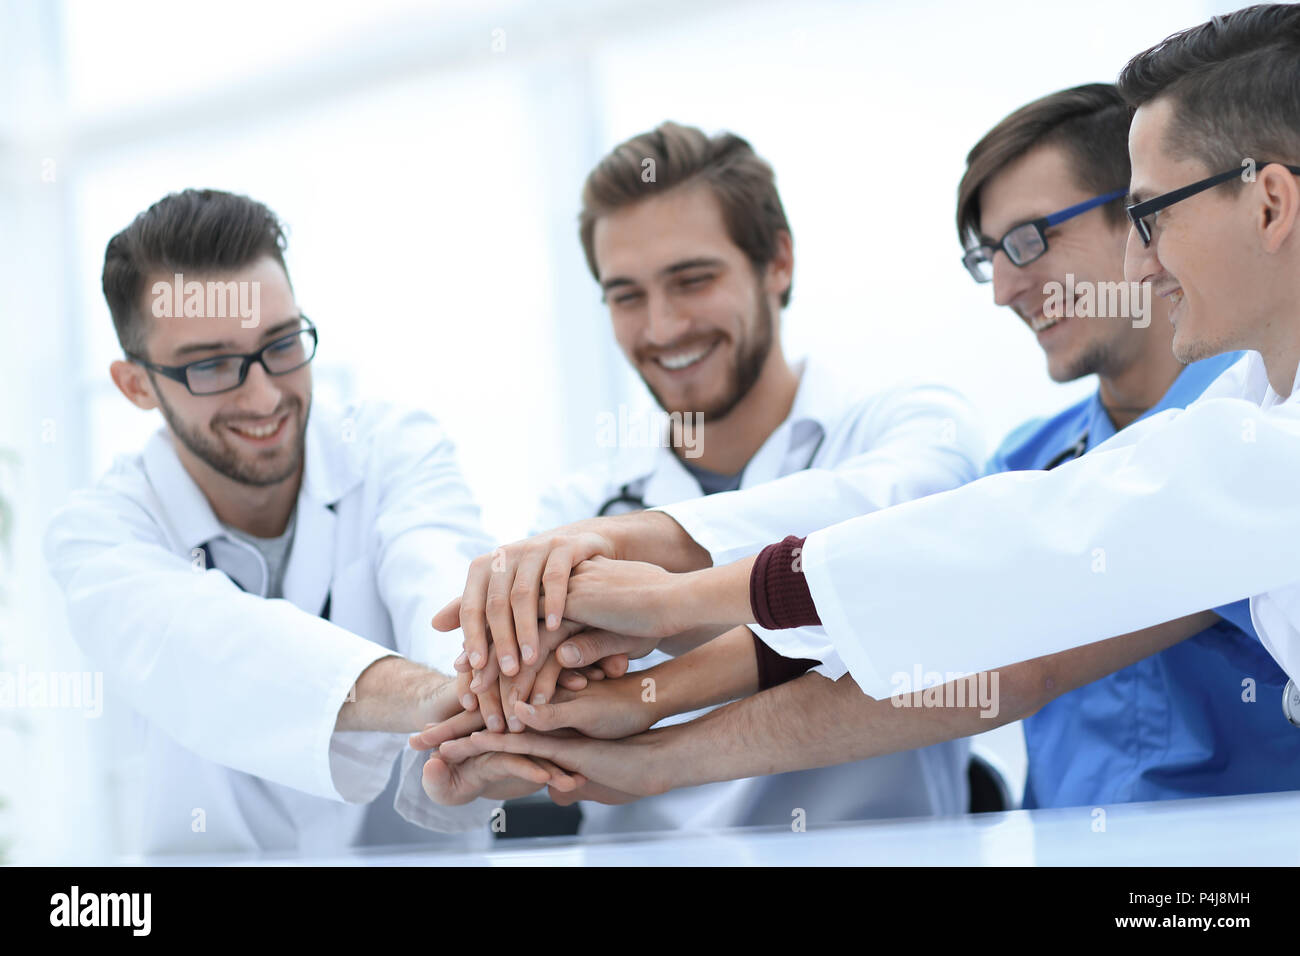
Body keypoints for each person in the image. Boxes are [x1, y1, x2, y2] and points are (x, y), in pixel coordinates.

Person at [447, 3, 1300, 756]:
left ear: (1268, 204)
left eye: (1152, 215)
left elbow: (1010, 565)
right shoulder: (1246, 405)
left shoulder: (1240, 444)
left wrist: (673, 599)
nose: (1137, 260)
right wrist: (639, 721)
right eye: (626, 294)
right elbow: (952, 589)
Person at [420, 122, 985, 831]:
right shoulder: (577, 505)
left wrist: (655, 571)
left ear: (777, 262)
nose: (662, 328)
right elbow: (523, 715)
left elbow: (913, 553)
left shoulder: (910, 425)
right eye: (627, 297)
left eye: (692, 280)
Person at [43, 189, 582, 856]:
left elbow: (441, 579)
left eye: (282, 344)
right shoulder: (100, 532)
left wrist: (472, 689)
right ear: (137, 386)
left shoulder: (391, 448)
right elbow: (206, 643)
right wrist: (429, 698)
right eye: (210, 365)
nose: (265, 395)